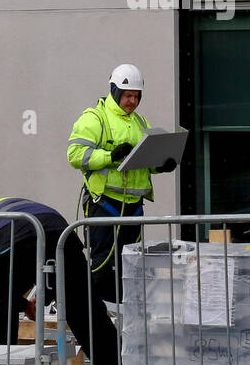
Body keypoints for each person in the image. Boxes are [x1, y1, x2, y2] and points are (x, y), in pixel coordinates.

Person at [0, 197, 119, 365]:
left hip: (14, 239)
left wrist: (21, 304)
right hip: (59, 232)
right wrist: (38, 299)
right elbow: (38, 267)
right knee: (85, 309)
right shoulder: (1, 207)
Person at [66, 64, 177, 301]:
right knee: (103, 265)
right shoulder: (95, 118)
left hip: (133, 207)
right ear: (114, 92)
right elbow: (75, 155)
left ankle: (125, 318)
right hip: (104, 203)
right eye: (127, 95)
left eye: (136, 96)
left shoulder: (139, 121)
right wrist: (110, 156)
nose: (132, 101)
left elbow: (141, 160)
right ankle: (97, 319)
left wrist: (160, 164)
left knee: (131, 266)